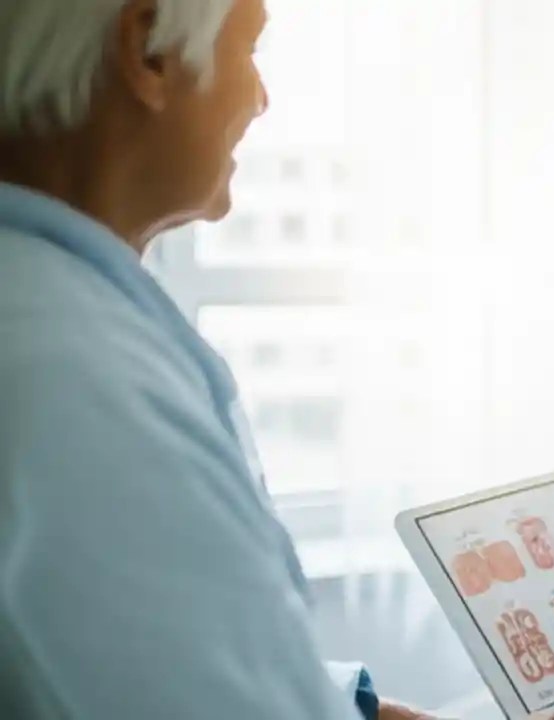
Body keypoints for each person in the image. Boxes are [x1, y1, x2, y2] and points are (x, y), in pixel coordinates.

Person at [0, 1, 439, 718]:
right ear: (149, 53)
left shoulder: (52, 315)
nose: (261, 98)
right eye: (251, 49)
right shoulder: (78, 385)